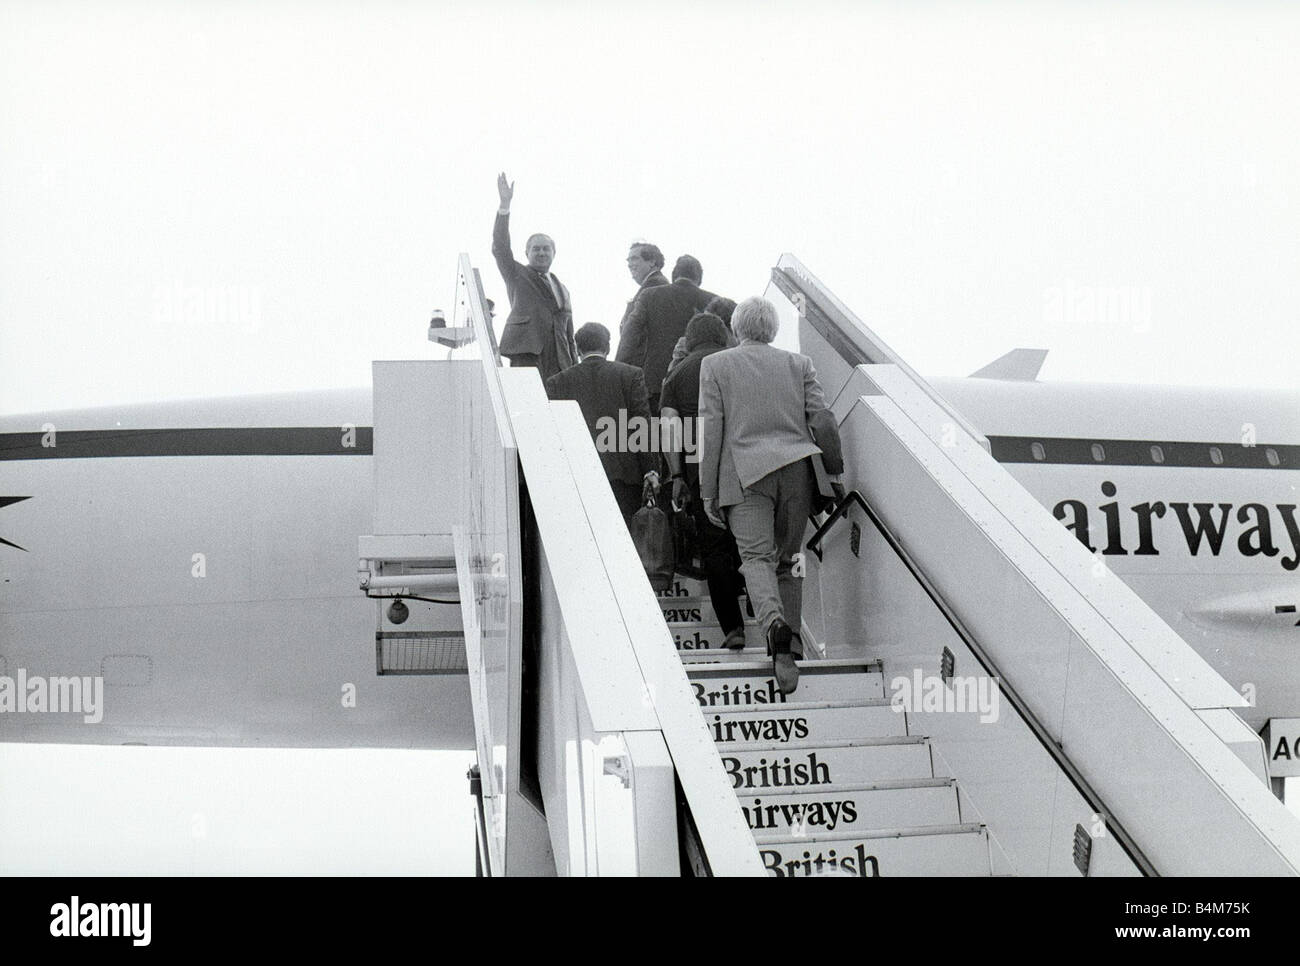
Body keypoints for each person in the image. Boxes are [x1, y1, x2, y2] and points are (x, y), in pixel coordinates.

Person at [697, 296, 842, 694]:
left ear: (736, 328)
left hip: (745, 475)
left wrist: (708, 490)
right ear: (772, 329)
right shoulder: (799, 365)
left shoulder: (716, 365)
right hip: (798, 471)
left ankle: (774, 627)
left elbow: (710, 429)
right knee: (789, 558)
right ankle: (791, 643)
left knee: (756, 559)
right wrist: (834, 472)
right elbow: (824, 420)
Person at [659, 311, 746, 649]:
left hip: (699, 470)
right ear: (723, 334)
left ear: (689, 338)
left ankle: (733, 628)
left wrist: (677, 475)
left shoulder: (677, 373)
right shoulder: (738, 361)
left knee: (714, 548)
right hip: (745, 463)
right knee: (751, 540)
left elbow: (669, 427)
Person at [545, 323, 660, 523]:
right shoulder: (631, 375)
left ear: (578, 349)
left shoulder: (558, 382)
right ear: (607, 347)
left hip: (579, 476)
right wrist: (650, 469)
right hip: (625, 476)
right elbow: (641, 424)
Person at [492, 172, 577, 381]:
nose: (541, 253)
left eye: (546, 249)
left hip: (561, 360)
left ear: (553, 253)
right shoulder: (517, 274)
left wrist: (575, 364)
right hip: (528, 353)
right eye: (536, 249)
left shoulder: (562, 288)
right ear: (527, 253)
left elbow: (569, 330)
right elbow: (500, 247)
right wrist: (505, 206)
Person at [616, 254, 716, 413]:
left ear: (674, 275)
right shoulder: (712, 300)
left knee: (659, 435)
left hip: (656, 383)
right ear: (699, 279)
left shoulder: (649, 296)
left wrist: (619, 372)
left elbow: (630, 336)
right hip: (698, 381)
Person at [665, 294, 738, 379]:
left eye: (708, 323)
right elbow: (671, 379)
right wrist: (678, 360)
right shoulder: (687, 344)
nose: (702, 328)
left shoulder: (737, 347)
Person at [619, 242, 669, 334]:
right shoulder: (654, 284)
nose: (629, 265)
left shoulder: (655, 285)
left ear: (652, 262)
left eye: (634, 259)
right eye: (628, 260)